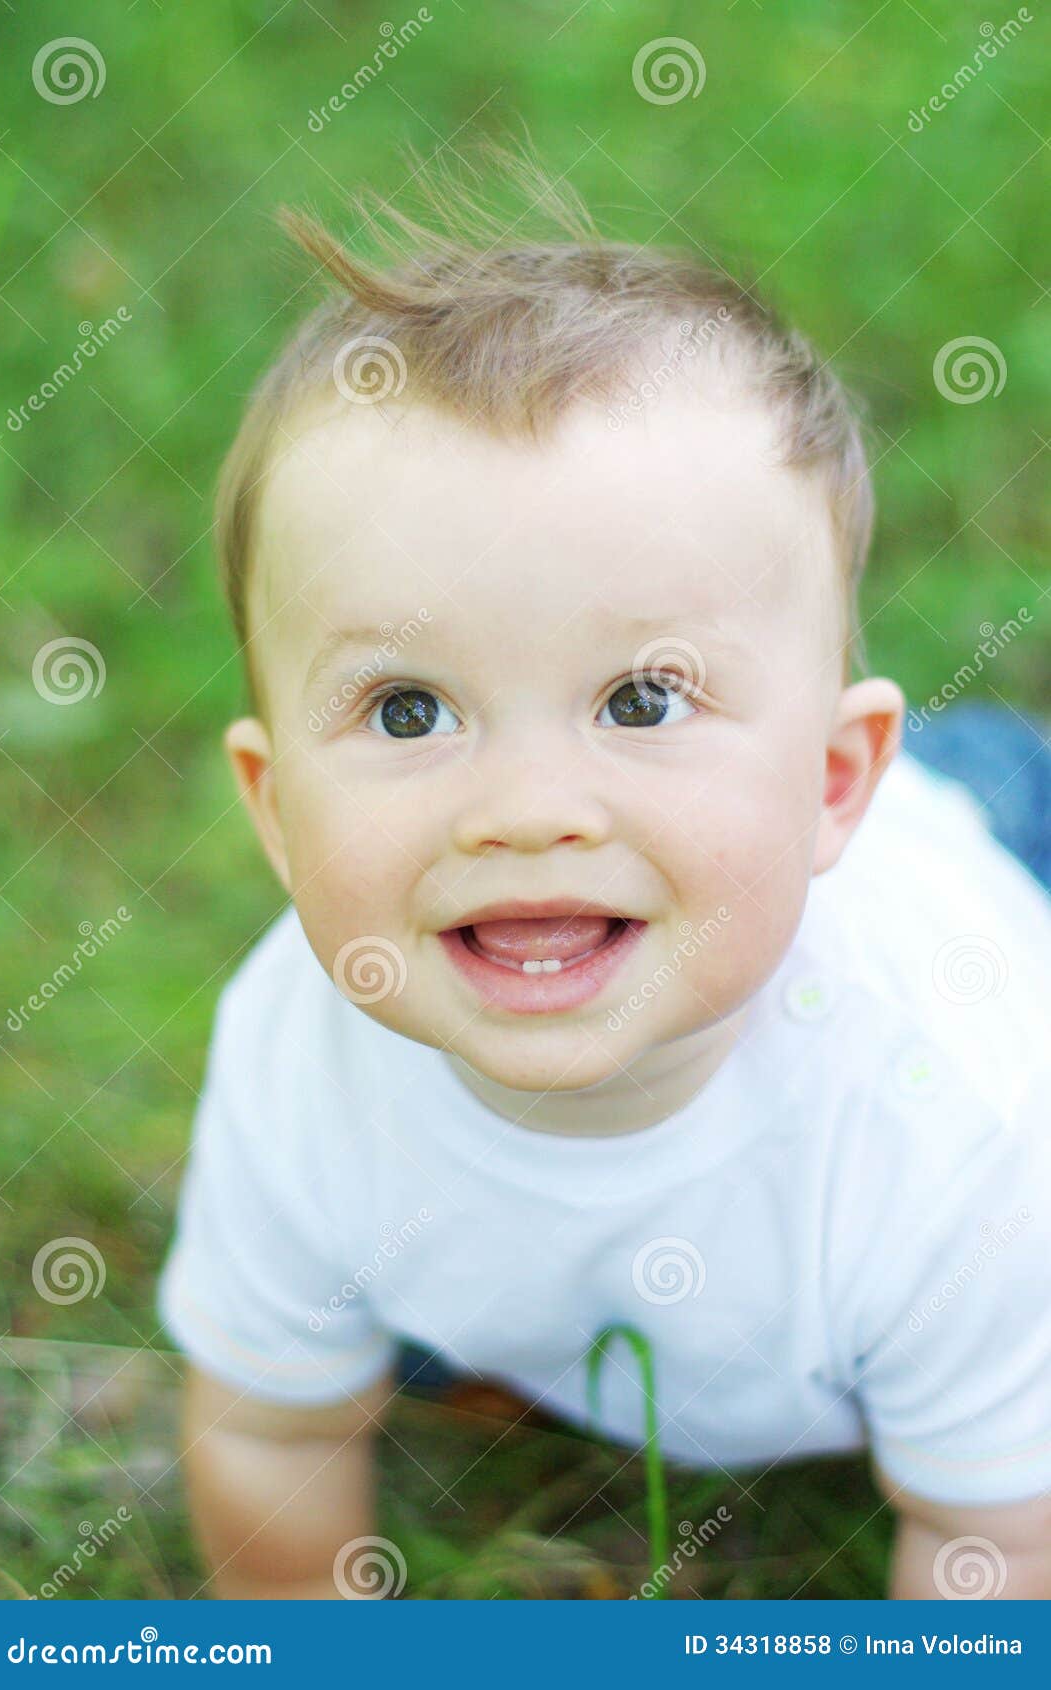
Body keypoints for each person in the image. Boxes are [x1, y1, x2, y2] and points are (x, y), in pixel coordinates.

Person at [157, 148, 1051, 1600]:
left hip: (1001, 858)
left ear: (833, 785)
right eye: (407, 710)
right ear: (273, 806)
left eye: (639, 699)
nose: (523, 812)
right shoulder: (297, 1061)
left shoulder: (963, 1130)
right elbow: (269, 1427)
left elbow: (996, 1540)